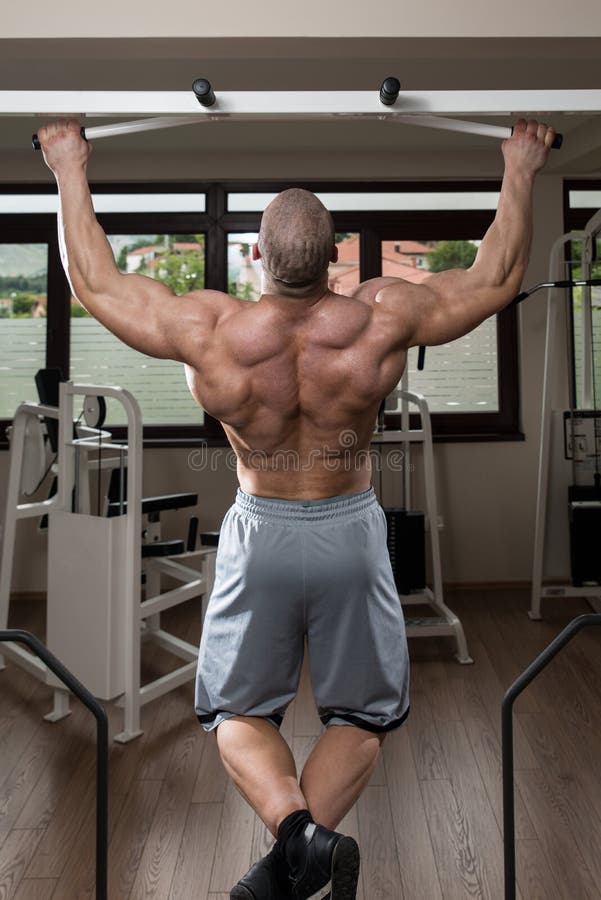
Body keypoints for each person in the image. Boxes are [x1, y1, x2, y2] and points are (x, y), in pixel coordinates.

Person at [38, 117, 555, 900]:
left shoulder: (210, 329)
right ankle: (296, 861)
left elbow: (94, 282)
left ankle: (294, 845)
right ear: (335, 255)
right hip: (349, 527)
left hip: (260, 531)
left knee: (237, 714)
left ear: (257, 255)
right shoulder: (381, 316)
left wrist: (69, 166)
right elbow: (494, 277)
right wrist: (518, 168)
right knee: (363, 717)